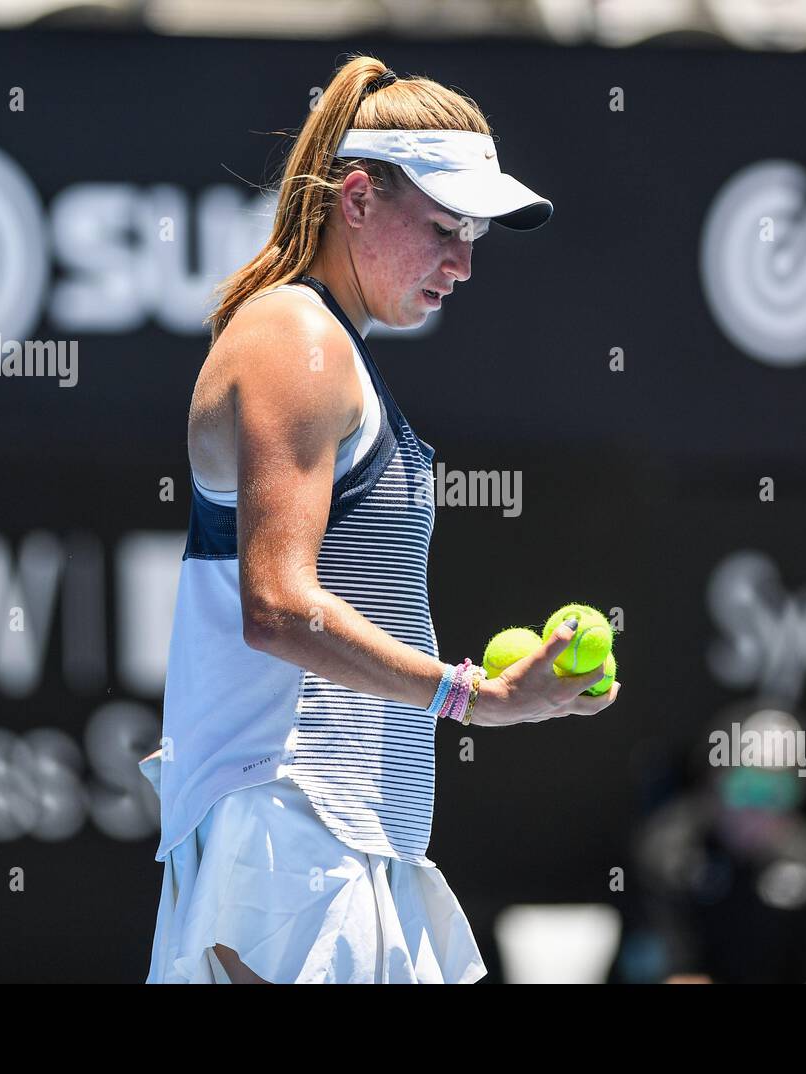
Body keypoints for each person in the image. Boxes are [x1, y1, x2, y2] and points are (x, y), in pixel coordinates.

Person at [139, 54, 621, 984]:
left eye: (475, 234)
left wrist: (498, 689)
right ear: (356, 198)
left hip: (343, 834)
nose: (465, 264)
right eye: (444, 228)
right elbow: (277, 605)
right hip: (288, 830)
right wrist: (473, 696)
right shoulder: (295, 335)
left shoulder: (330, 349)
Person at [632, 705, 806, 984]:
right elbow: (676, 974)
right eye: (748, 786)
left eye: (777, 791)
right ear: (714, 782)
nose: (760, 810)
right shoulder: (668, 849)